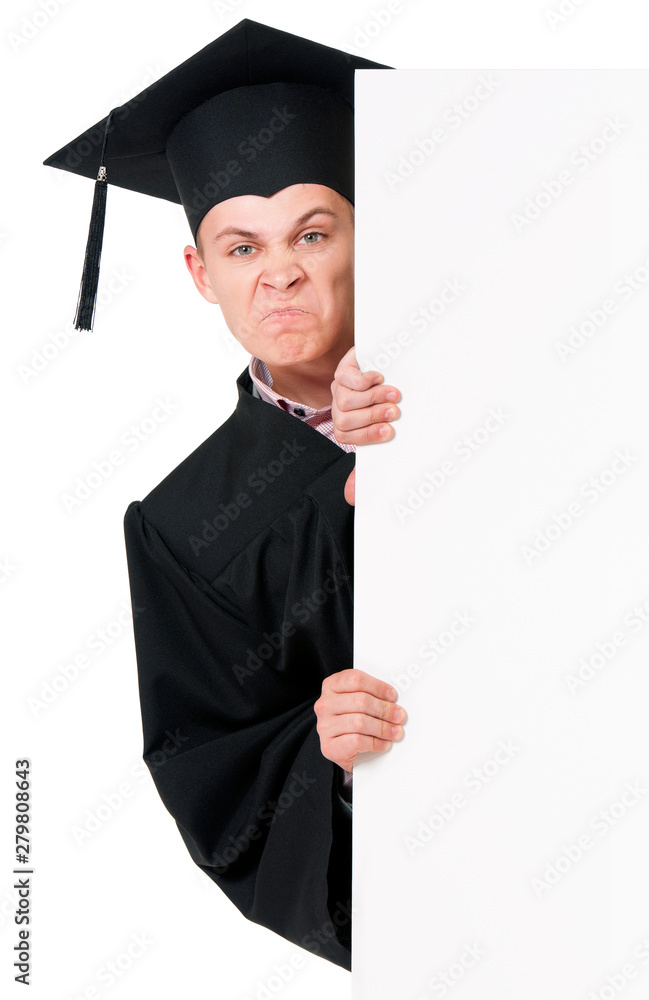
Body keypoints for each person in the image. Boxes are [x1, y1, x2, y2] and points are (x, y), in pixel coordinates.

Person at [43, 18, 407, 971]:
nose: (279, 271)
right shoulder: (179, 528)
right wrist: (323, 757)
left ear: (373, 236)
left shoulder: (505, 393)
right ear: (202, 275)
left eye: (313, 233)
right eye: (240, 248)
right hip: (444, 893)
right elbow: (217, 783)